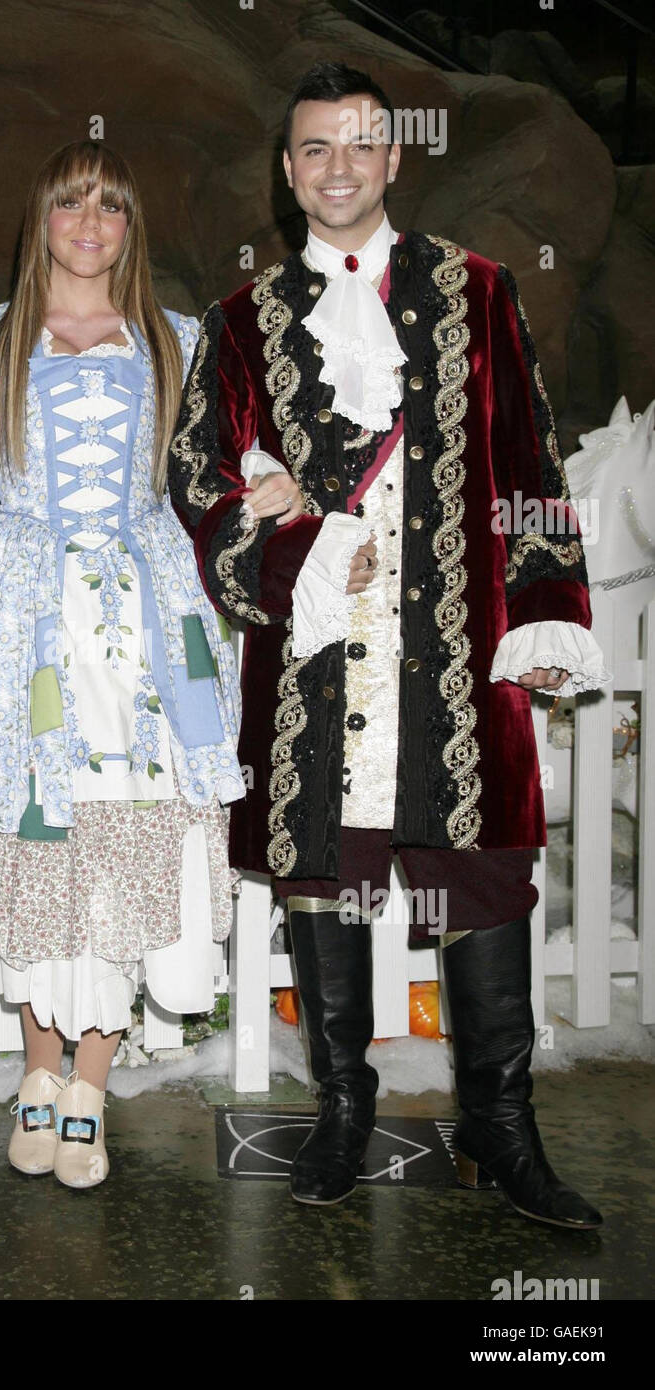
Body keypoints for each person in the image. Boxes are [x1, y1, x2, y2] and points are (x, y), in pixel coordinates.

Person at [167, 61, 608, 1228]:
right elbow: (195, 478)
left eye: (357, 145)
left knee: (478, 878)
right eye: (312, 150)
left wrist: (548, 604)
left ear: (393, 153)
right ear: (286, 169)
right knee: (322, 881)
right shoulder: (239, 322)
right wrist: (282, 552)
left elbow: (529, 467)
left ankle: (500, 1129)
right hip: (319, 652)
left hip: (458, 658)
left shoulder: (477, 292)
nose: (336, 169)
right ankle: (341, 1114)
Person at [0, 140, 297, 1188]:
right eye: (69, 200)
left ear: (130, 228)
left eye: (109, 205)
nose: (88, 221)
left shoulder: (182, 341)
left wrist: (267, 475)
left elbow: (232, 449)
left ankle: (89, 1087)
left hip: (141, 622)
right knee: (38, 839)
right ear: (42, 218)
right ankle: (34, 1068)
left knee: (125, 840)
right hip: (19, 613)